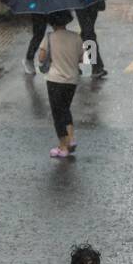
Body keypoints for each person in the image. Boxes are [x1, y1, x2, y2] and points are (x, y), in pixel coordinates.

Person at [37, 9, 81, 158]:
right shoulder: (76, 37)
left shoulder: (49, 37)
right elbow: (82, 58)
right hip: (72, 80)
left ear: (51, 21)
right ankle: (71, 139)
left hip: (55, 80)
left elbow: (42, 58)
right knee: (65, 110)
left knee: (57, 114)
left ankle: (63, 147)